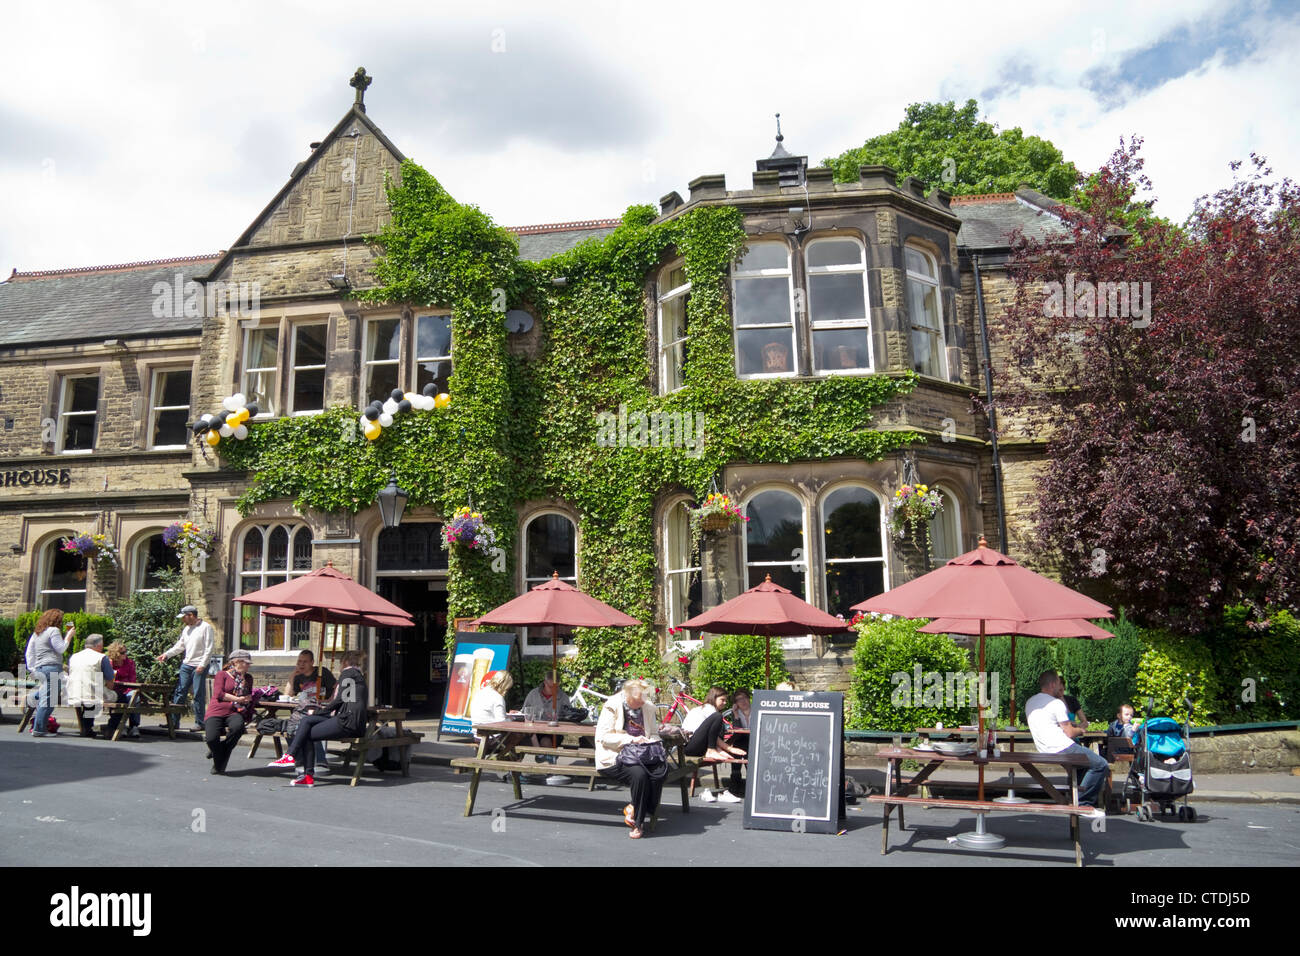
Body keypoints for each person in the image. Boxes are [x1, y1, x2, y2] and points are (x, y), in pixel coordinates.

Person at [1025, 670, 1109, 814]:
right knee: (1101, 764)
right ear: (1053, 684)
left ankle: (1075, 799)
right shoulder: (1056, 703)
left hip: (1043, 748)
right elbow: (1069, 733)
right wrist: (1080, 730)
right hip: (1061, 747)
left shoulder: (1031, 701)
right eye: (1059, 683)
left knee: (1081, 767)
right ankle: (1083, 805)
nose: (1061, 687)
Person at [284, 650, 369, 788]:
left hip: (347, 721)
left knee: (306, 733)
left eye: (341, 663)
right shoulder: (357, 675)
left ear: (345, 662)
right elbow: (348, 699)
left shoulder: (348, 673)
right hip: (351, 720)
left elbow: (341, 699)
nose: (340, 666)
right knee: (306, 721)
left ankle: (302, 770)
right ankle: (292, 758)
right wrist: (322, 712)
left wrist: (321, 711)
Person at [596, 677, 667, 839]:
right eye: (637, 701)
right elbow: (604, 737)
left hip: (642, 753)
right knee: (640, 775)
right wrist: (631, 739)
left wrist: (652, 742)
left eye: (643, 700)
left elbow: (654, 733)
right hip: (616, 755)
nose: (641, 703)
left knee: (660, 771)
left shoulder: (648, 706)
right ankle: (638, 823)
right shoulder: (612, 705)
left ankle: (635, 808)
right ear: (627, 696)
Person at [682, 686, 745, 803]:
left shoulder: (711, 710)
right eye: (722, 700)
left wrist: (725, 749)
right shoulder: (709, 709)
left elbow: (713, 735)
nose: (725, 703)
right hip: (691, 746)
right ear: (714, 698)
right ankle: (711, 750)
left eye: (726, 700)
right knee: (718, 717)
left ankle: (714, 750)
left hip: (699, 745)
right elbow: (713, 736)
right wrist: (729, 749)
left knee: (719, 721)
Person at [156, 604, 214, 732]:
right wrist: (167, 654)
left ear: (191, 615)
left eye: (184, 617)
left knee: (198, 694)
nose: (182, 619)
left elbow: (209, 648)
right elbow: (180, 646)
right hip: (186, 665)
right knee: (180, 692)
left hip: (199, 665)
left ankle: (200, 723)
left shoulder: (206, 627)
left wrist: (202, 664)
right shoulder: (186, 629)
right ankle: (173, 722)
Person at [205, 650, 254, 774]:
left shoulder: (248, 678)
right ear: (236, 662)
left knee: (238, 728)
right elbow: (219, 694)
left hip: (234, 711)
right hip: (216, 710)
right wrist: (237, 699)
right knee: (211, 738)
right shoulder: (222, 674)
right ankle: (217, 753)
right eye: (246, 663)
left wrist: (248, 698)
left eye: (249, 663)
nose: (248, 666)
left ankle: (218, 757)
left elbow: (249, 694)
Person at [28, 610, 73, 737]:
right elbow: (61, 648)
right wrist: (69, 636)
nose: (62, 622)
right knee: (48, 701)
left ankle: (34, 697)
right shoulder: (54, 630)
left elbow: (30, 651)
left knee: (46, 696)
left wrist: (32, 667)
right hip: (52, 667)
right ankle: (39, 729)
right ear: (56, 620)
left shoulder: (38, 632)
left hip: (41, 668)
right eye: (61, 620)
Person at [67, 633, 116, 737]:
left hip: (74, 693)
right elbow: (110, 681)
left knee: (90, 695)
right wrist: (109, 689)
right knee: (123, 699)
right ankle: (112, 727)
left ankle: (87, 727)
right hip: (93, 695)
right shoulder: (101, 658)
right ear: (98, 645)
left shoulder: (74, 657)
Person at [522, 670, 570, 760]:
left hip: (554, 731)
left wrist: (559, 718)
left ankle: (547, 763)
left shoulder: (563, 697)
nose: (553, 690)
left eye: (556, 687)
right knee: (516, 739)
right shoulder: (533, 694)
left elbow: (569, 716)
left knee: (546, 742)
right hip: (534, 731)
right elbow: (525, 712)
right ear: (545, 682)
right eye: (550, 687)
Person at [104, 642, 141, 738]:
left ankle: (134, 726)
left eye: (125, 652)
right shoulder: (109, 663)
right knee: (115, 697)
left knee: (135, 697)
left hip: (127, 689)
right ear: (115, 653)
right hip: (114, 690)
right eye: (122, 653)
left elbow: (133, 680)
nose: (125, 654)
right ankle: (121, 725)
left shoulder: (130, 663)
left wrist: (127, 689)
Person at [726, 689, 752, 796]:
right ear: (736, 703)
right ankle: (736, 780)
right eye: (739, 699)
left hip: (753, 740)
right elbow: (737, 731)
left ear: (749, 698)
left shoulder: (756, 710)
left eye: (744, 697)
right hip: (741, 740)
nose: (743, 701)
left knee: (743, 744)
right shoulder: (736, 712)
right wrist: (736, 714)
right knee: (739, 742)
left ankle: (737, 782)